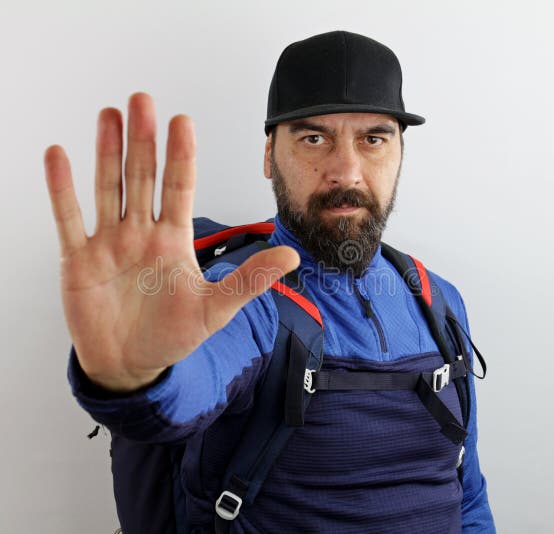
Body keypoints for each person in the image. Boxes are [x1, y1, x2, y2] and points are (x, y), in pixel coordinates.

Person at [44, 30, 495, 533]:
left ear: (398, 155)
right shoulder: (238, 296)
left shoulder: (441, 303)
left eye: (373, 139)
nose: (346, 170)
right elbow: (178, 399)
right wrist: (133, 378)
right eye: (313, 138)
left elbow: (468, 495)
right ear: (268, 157)